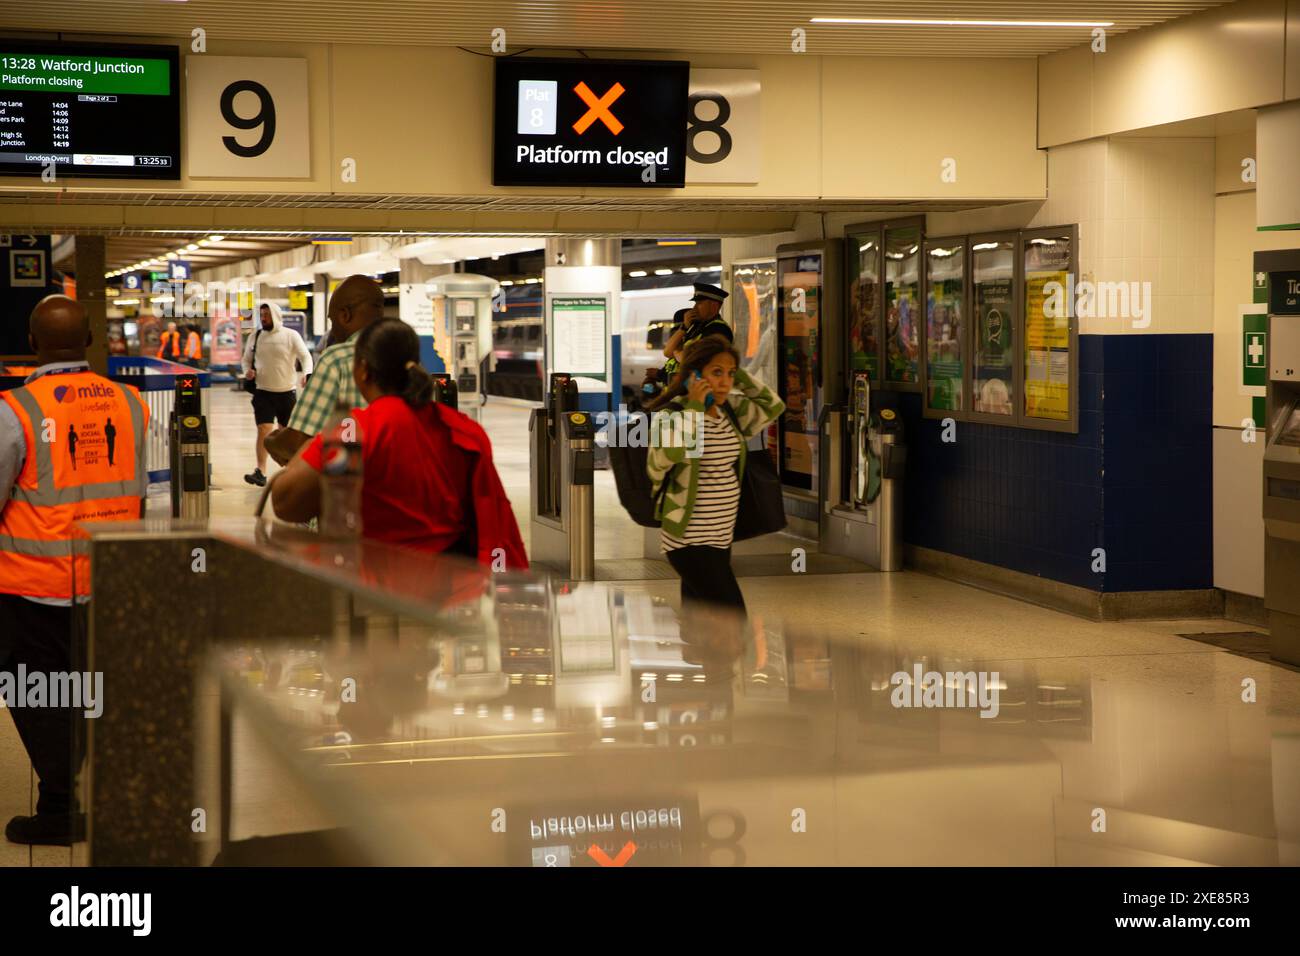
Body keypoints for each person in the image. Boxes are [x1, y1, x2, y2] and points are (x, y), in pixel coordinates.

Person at [0, 295, 149, 845]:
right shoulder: (132, 403)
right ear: (90, 340)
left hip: (33, 585)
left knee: (38, 693)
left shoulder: (17, 410)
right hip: (108, 578)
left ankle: (64, 808)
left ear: (33, 343)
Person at [271, 319, 527, 568]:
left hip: (381, 592)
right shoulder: (465, 430)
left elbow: (286, 504)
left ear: (362, 370)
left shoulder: (358, 432)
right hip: (455, 591)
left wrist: (309, 450)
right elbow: (492, 516)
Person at [646, 335, 783, 612]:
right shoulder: (674, 414)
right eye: (716, 372)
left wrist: (737, 372)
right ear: (695, 376)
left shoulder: (728, 411)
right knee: (732, 619)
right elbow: (662, 460)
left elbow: (773, 405)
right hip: (689, 542)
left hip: (720, 538)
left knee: (702, 629)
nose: (724, 382)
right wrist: (695, 407)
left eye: (730, 374)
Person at [264, 275, 384, 467]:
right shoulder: (406, 357)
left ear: (345, 315)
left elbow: (297, 442)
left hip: (352, 485)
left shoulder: (338, 359)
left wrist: (270, 442)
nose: (333, 330)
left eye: (332, 321)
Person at [242, 300, 313, 487]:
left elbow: (305, 356)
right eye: (262, 315)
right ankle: (261, 471)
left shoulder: (291, 335)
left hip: (286, 393)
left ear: (275, 315)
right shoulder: (255, 337)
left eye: (267, 315)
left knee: (285, 434)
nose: (264, 318)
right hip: (263, 392)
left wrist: (307, 373)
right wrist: (247, 371)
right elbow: (246, 360)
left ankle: (292, 471)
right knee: (264, 430)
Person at [661, 283, 733, 382]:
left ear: (714, 306)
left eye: (699, 303)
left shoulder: (718, 329)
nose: (694, 308)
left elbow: (695, 360)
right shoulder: (697, 326)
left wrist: (678, 352)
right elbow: (668, 352)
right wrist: (684, 328)